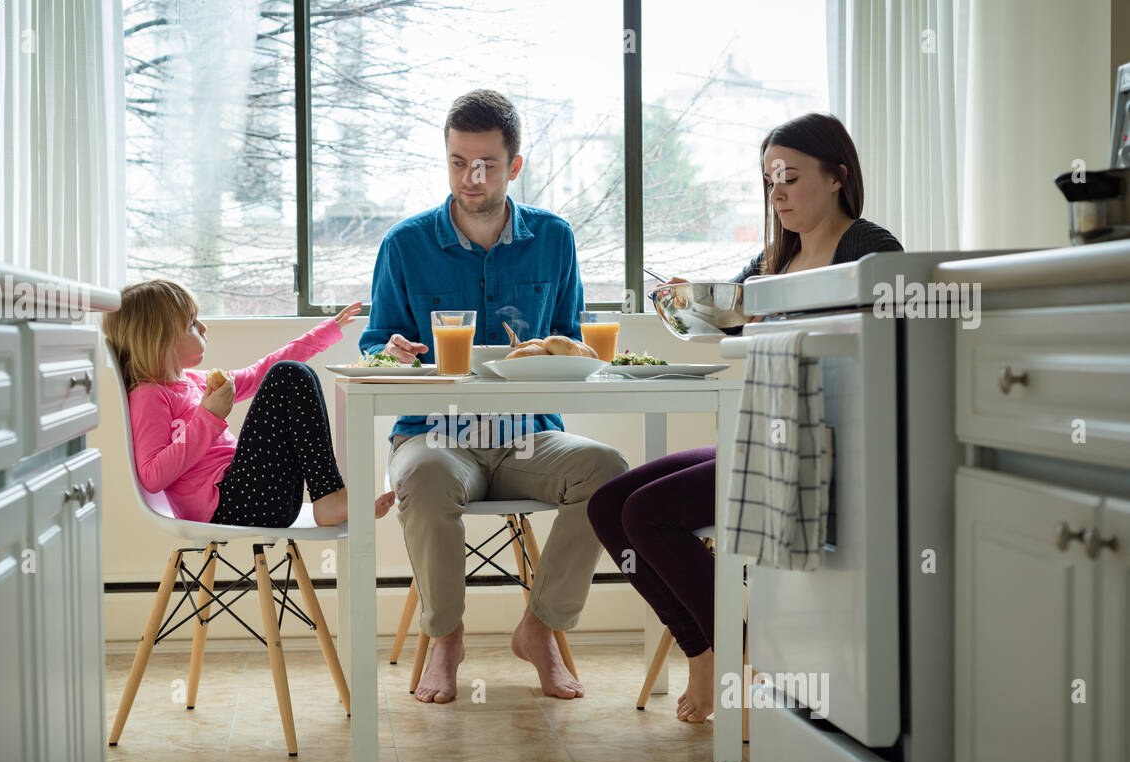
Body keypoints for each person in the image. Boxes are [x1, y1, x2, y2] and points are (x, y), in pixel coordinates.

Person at [588, 112, 903, 724]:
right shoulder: (772, 260)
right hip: (763, 435)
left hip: (827, 448)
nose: (776, 192)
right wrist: (684, 301)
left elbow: (890, 347)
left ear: (838, 176)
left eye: (789, 176)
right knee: (609, 505)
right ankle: (713, 646)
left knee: (645, 514)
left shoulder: (869, 249)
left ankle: (722, 649)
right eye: (768, 180)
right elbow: (716, 325)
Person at [360, 89, 629, 704]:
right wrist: (392, 351)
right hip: (435, 434)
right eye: (458, 161)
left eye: (484, 163)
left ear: (514, 166)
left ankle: (541, 629)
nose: (470, 176)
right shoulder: (405, 245)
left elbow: (571, 342)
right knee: (424, 477)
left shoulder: (554, 240)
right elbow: (376, 346)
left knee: (608, 471)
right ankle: (447, 639)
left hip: (526, 435)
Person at [103, 278, 396, 529]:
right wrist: (208, 417)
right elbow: (153, 477)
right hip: (226, 505)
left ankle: (328, 496)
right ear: (160, 340)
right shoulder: (148, 395)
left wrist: (325, 331)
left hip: (259, 497)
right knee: (289, 374)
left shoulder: (193, 380)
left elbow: (258, 374)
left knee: (294, 372)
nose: (204, 328)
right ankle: (329, 498)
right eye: (192, 323)